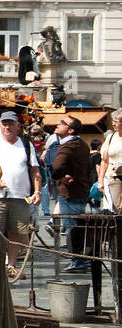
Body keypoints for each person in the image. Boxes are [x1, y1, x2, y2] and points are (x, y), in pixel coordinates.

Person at [0, 112, 39, 278]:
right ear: (0, 126)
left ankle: (11, 265)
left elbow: (34, 169)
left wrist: (37, 190)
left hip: (20, 195)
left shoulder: (25, 144)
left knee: (16, 232)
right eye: (4, 124)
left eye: (11, 123)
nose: (7, 127)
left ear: (18, 125)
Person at [50, 115, 93, 272]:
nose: (58, 124)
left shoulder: (69, 145)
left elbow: (57, 165)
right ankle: (82, 259)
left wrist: (59, 177)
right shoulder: (81, 143)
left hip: (71, 192)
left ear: (70, 129)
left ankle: (78, 261)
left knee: (72, 227)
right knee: (78, 226)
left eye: (62, 123)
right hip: (81, 190)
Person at [98, 109, 122, 211]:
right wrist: (101, 179)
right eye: (113, 121)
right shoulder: (111, 137)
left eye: (116, 121)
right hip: (114, 176)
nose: (113, 124)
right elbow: (105, 160)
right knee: (117, 207)